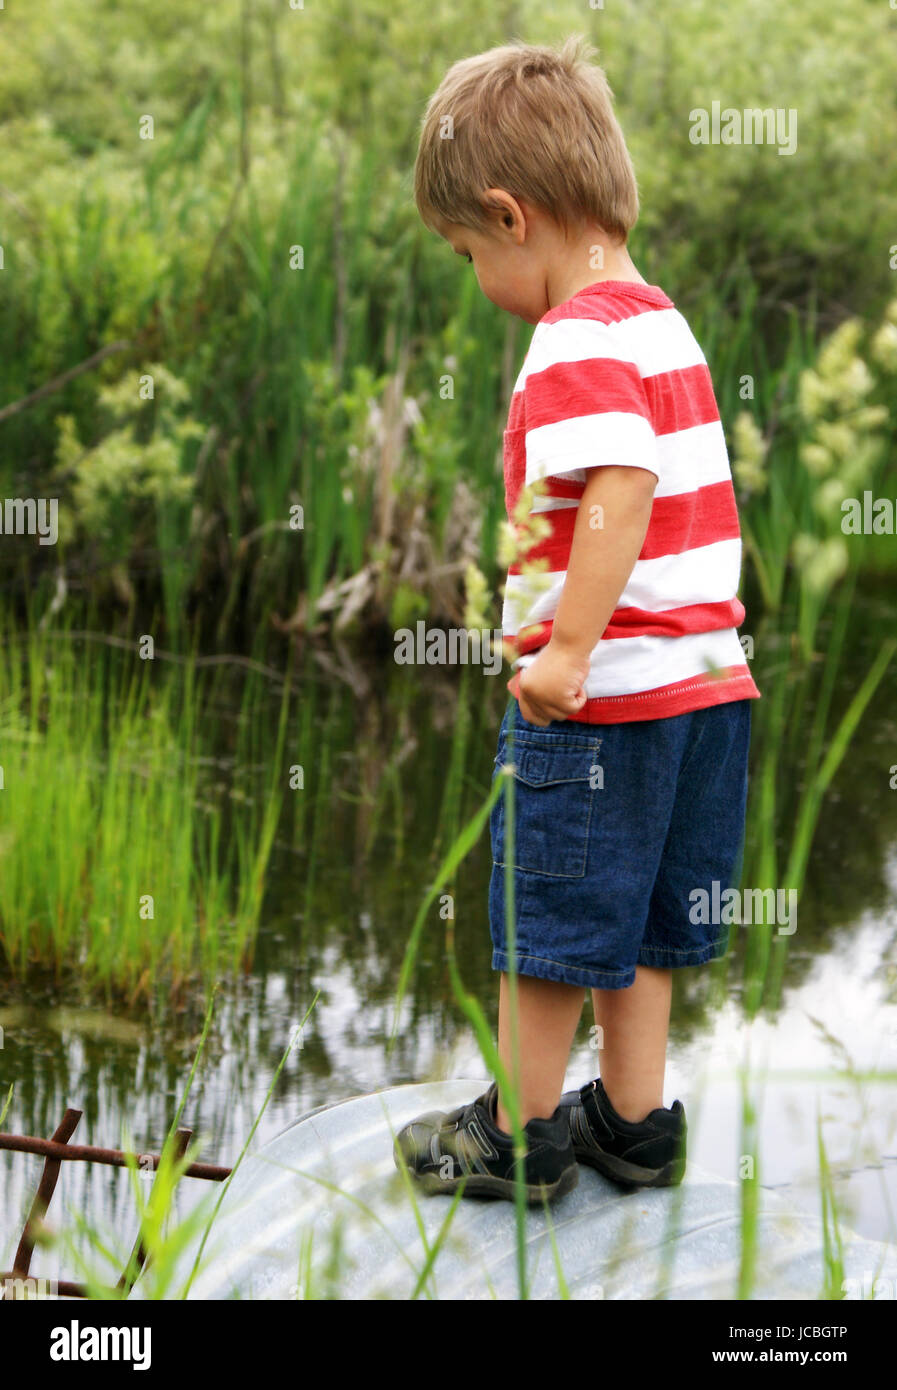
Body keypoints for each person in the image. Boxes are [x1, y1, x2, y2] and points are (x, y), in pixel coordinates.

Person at [395, 35, 760, 1203]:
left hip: (603, 701)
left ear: (511, 217)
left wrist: (564, 652)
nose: (475, 279)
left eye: (464, 253)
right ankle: (636, 1122)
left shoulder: (573, 339)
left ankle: (520, 1128)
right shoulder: (665, 323)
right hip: (706, 689)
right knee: (647, 918)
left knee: (546, 921)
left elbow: (620, 489)